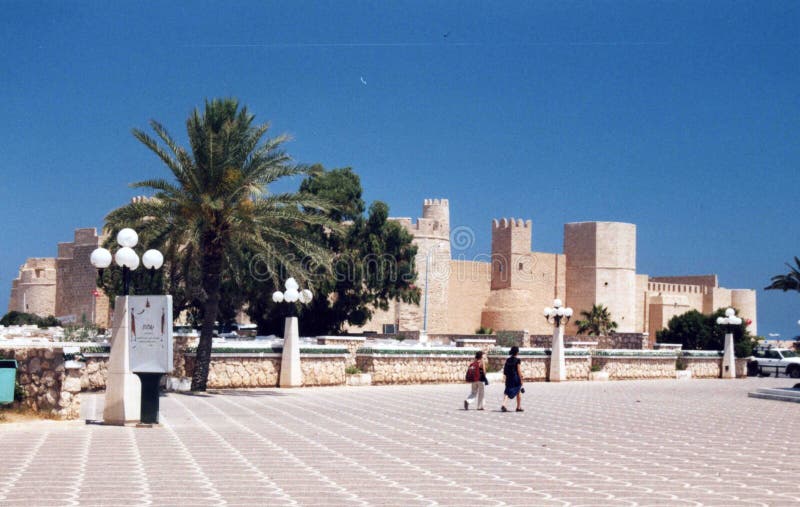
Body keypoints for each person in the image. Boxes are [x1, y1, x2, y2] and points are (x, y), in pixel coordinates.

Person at [501, 346, 524, 412]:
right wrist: (521, 378)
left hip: (508, 378)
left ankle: (504, 404)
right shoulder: (517, 360)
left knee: (507, 391)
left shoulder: (508, 360)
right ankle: (518, 407)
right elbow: (518, 370)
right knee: (518, 391)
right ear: (517, 352)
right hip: (515, 378)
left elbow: (505, 370)